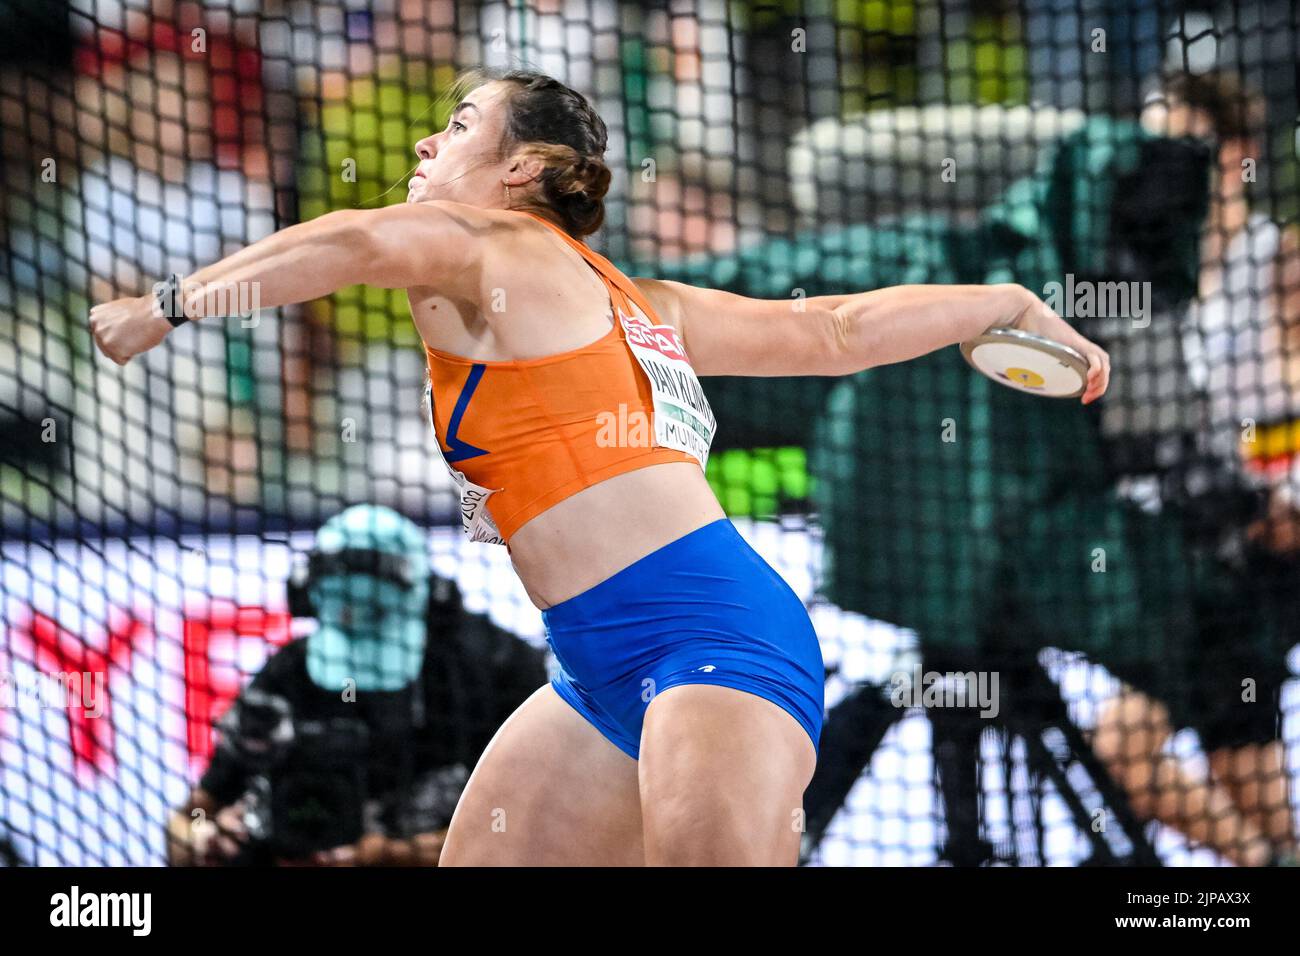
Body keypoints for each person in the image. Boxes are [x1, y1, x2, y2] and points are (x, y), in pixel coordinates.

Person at [92, 67, 1110, 866]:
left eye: (456, 126)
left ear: (522, 168)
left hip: (715, 643)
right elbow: (836, 330)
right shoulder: (633, 298)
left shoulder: (489, 243)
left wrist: (167, 306)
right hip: (595, 665)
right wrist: (995, 302)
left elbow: (351, 239)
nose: (423, 138)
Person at [1089, 70, 1300, 866]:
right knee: (1252, 791)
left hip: (1260, 560)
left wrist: (1281, 499)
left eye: (1183, 143)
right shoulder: (1147, 276)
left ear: (1237, 154)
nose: (1162, 165)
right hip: (1182, 558)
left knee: (1119, 750)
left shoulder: (1278, 265)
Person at [165, 503, 546, 866]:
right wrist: (204, 837)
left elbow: (531, 835)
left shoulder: (489, 672)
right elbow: (188, 819)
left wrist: (395, 855)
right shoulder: (288, 677)